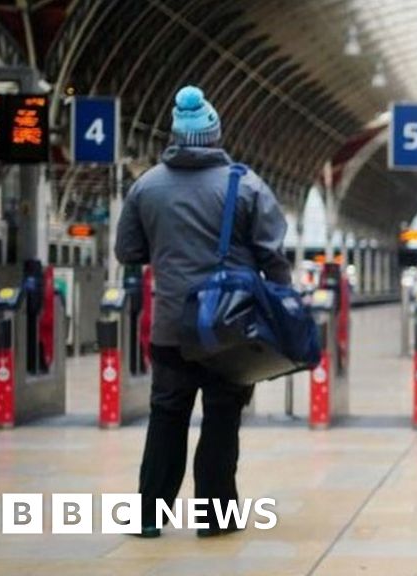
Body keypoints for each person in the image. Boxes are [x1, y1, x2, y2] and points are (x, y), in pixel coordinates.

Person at [115, 85, 291, 538]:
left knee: (167, 415)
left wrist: (171, 251)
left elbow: (128, 251)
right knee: (221, 417)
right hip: (228, 328)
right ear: (214, 134)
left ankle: (149, 515)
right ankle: (214, 518)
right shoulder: (245, 184)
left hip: (171, 325)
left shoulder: (146, 186)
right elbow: (273, 254)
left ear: (175, 135)